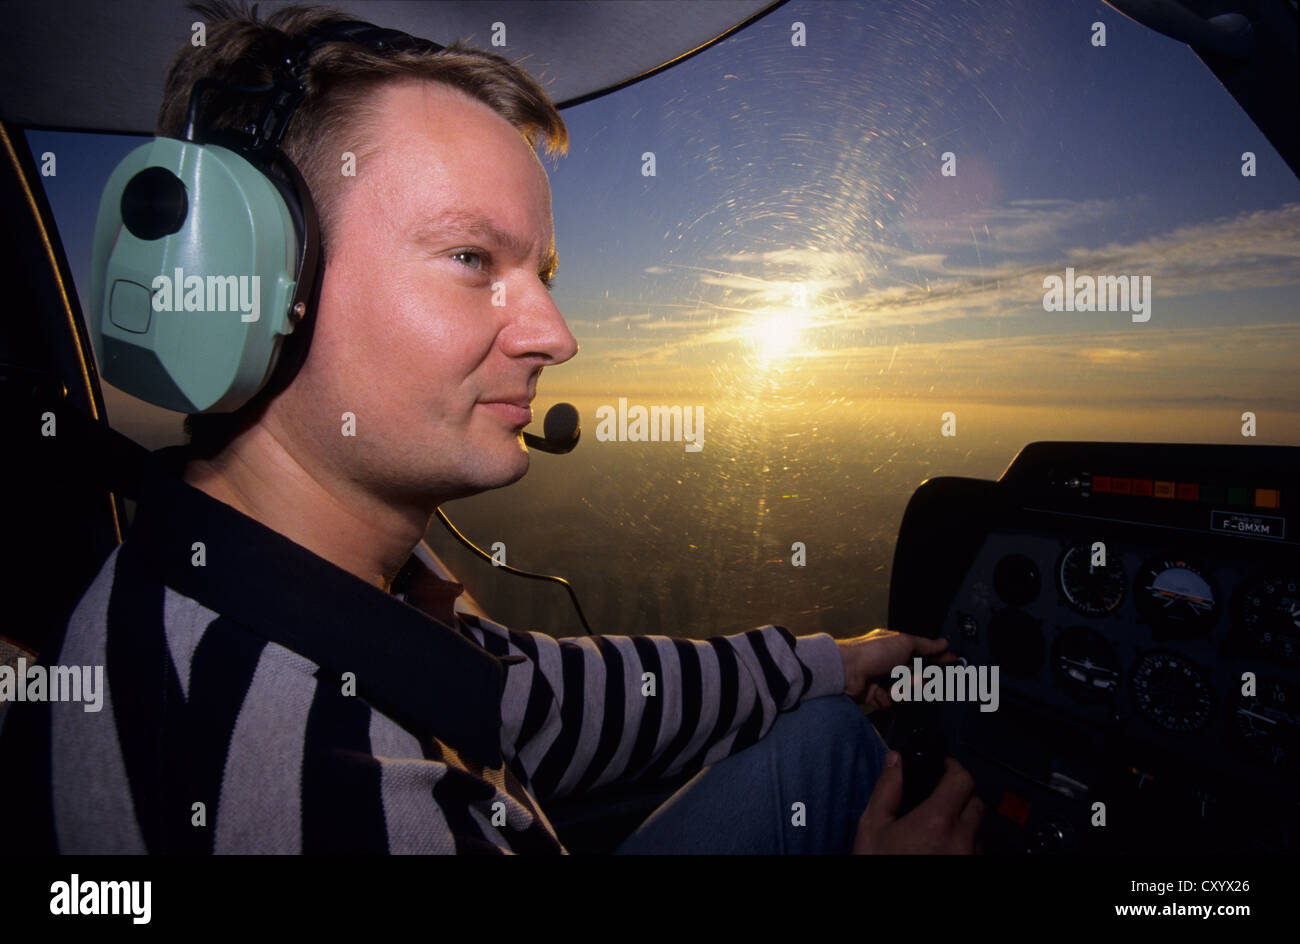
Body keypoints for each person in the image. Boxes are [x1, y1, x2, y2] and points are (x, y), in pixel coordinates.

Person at [1, 1, 984, 854]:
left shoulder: (246, 577)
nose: (556, 337)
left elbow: (530, 700)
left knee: (822, 733)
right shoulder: (320, 779)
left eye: (542, 276)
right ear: (260, 286)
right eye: (473, 257)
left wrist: (835, 658)